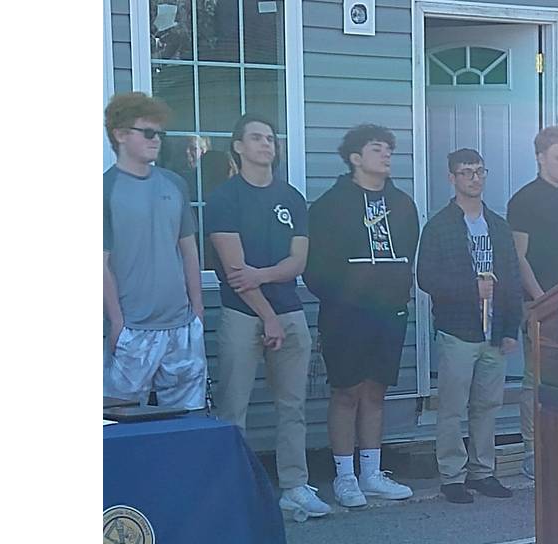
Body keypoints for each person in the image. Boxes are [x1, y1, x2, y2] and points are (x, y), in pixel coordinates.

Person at [204, 113, 331, 518]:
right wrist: (267, 314)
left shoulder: (291, 197)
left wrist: (266, 280)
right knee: (233, 407)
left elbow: (298, 262)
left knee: (292, 405)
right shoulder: (225, 198)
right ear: (238, 147)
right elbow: (235, 270)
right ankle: (233, 490)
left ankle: (294, 485)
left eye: (270, 139)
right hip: (243, 313)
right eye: (256, 138)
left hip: (289, 310)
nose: (266, 145)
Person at [303, 124, 418, 509]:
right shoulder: (330, 205)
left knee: (376, 390)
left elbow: (408, 258)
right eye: (376, 148)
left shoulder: (402, 204)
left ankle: (372, 472)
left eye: (389, 149)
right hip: (345, 316)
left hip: (388, 314)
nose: (386, 155)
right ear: (355, 157)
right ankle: (344, 476)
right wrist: (344, 299)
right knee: (346, 391)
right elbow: (314, 268)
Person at [417, 148, 523, 504]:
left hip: (493, 331)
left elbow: (511, 277)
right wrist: (470, 289)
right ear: (452, 178)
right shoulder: (440, 225)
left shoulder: (498, 225)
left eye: (479, 171)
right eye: (466, 172)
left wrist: (510, 328)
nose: (474, 178)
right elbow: (426, 278)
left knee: (487, 405)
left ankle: (484, 471)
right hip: (458, 330)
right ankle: (452, 475)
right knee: (451, 406)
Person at [103, 91, 207, 411]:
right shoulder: (104, 190)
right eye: (148, 132)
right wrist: (117, 322)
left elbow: (189, 251)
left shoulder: (175, 184)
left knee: (188, 418)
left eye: (159, 133)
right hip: (133, 327)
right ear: (121, 135)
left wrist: (198, 313)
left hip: (181, 325)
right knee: (119, 415)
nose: (156, 139)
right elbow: (99, 263)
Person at [506, 126, 558, 481]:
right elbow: (518, 257)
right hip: (539, 301)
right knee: (536, 380)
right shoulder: (524, 200)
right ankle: (532, 450)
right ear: (540, 157)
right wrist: (542, 299)